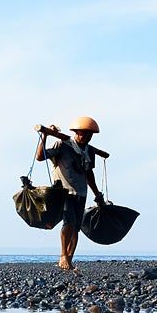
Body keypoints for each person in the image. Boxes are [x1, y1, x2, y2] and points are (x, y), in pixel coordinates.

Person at [34, 116, 107, 271]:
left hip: (81, 192)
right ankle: (63, 256)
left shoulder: (89, 151)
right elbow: (40, 157)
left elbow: (89, 175)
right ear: (76, 132)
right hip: (64, 191)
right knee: (68, 222)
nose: (87, 137)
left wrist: (97, 195)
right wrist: (45, 135)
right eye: (84, 133)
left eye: (90, 134)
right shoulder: (62, 145)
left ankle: (69, 259)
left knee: (76, 227)